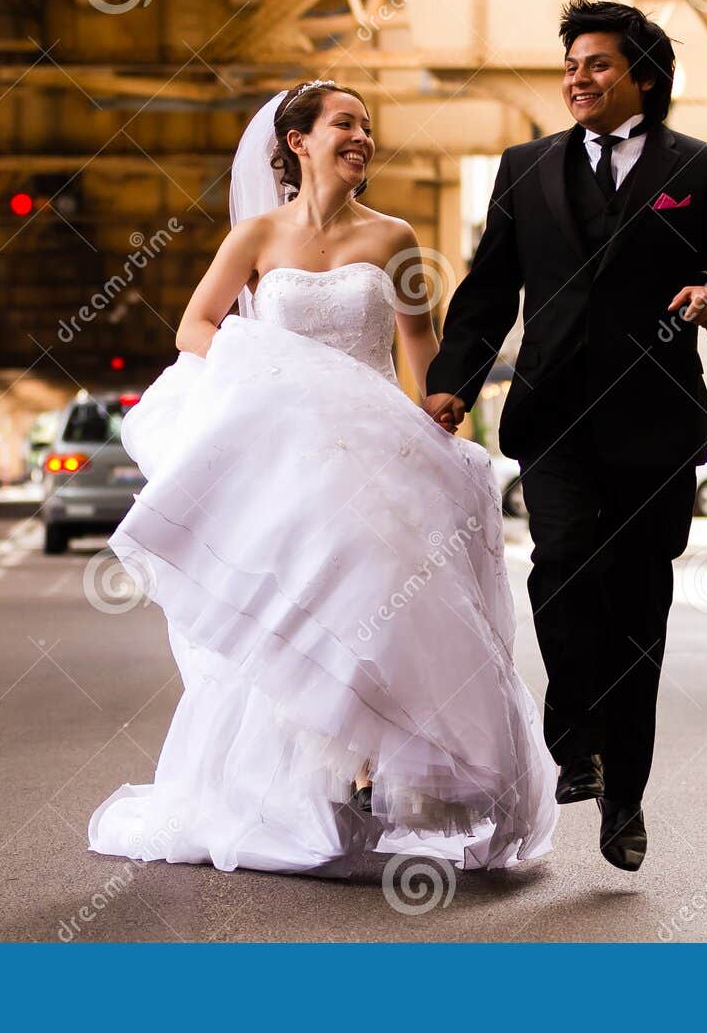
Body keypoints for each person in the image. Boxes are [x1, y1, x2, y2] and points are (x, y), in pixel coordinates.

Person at [87, 80, 559, 875]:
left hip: (378, 457)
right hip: (288, 461)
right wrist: (270, 371)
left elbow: (423, 349)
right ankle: (319, 776)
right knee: (305, 601)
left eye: (368, 127)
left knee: (384, 601)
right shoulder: (257, 238)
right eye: (346, 123)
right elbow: (196, 324)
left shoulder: (396, 238)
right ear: (297, 142)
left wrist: (449, 421)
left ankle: (373, 771)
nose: (362, 137)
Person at [423, 0, 707, 871]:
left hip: (657, 421)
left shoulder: (704, 165)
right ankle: (574, 734)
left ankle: (626, 796)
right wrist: (450, 387)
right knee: (564, 558)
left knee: (638, 609)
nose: (578, 78)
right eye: (571, 64)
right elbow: (486, 293)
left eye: (598, 65)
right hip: (553, 414)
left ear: (644, 76)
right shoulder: (524, 168)